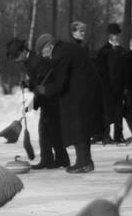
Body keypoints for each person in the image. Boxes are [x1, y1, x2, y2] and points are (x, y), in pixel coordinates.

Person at [38, 29, 103, 173]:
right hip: (87, 90)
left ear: (48, 46)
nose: (46, 57)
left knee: (77, 126)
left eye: (44, 53)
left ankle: (83, 162)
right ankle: (86, 161)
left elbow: (60, 82)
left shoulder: (59, 54)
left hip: (80, 93)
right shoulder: (66, 48)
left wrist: (45, 90)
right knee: (82, 126)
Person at [26, 34, 68, 169]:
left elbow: (49, 82)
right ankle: (53, 159)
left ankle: (55, 159)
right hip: (47, 98)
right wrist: (30, 86)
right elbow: (38, 83)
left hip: (52, 99)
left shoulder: (39, 61)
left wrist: (35, 101)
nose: (42, 54)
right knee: (48, 130)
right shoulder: (36, 60)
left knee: (51, 130)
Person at [96, 23, 127, 143]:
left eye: (117, 34)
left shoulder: (122, 51)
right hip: (107, 88)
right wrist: (105, 87)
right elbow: (101, 72)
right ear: (109, 35)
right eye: (114, 34)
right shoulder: (103, 51)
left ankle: (118, 135)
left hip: (119, 88)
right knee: (107, 112)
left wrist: (124, 86)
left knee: (119, 112)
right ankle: (105, 135)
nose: (116, 36)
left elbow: (125, 70)